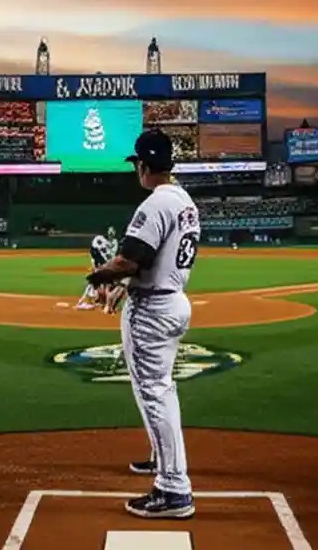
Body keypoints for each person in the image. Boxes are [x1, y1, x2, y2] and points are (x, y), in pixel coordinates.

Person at [87, 128, 199, 520]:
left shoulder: (155, 205)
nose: (137, 170)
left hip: (152, 309)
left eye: (137, 163)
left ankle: (173, 488)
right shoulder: (184, 200)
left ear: (146, 166)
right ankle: (160, 458)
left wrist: (97, 276)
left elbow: (131, 260)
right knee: (159, 389)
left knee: (155, 392)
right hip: (174, 301)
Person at [76, 234, 114, 310]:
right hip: (112, 269)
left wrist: (94, 271)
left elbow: (98, 265)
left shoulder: (96, 252)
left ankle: (88, 302)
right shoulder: (107, 250)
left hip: (106, 269)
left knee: (93, 283)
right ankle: (103, 303)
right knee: (106, 286)